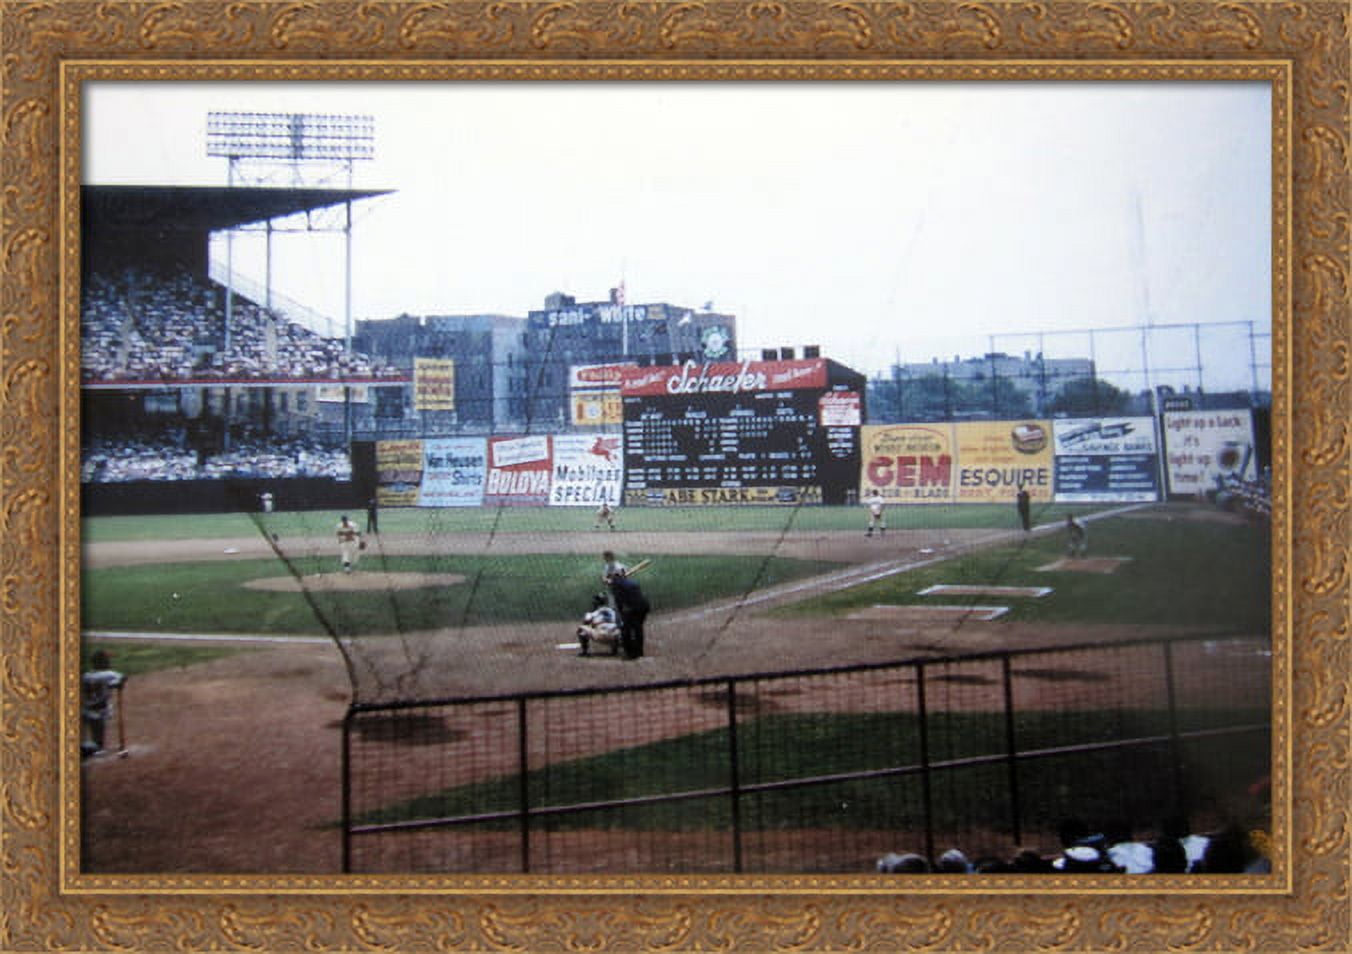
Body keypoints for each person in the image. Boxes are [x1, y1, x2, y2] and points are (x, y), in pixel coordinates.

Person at [82, 650, 125, 757]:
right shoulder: (109, 674)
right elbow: (123, 678)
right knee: (98, 748)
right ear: (102, 663)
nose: (109, 662)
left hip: (84, 710)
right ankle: (88, 748)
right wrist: (116, 684)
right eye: (107, 660)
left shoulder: (86, 675)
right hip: (99, 712)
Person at [609, 572, 650, 659]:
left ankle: (630, 654)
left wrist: (622, 616)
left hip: (634, 608)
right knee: (638, 628)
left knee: (625, 630)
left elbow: (619, 602)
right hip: (644, 606)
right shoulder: (631, 581)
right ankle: (639, 652)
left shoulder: (615, 585)